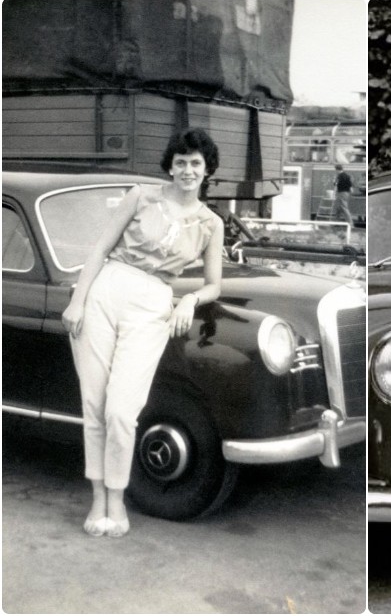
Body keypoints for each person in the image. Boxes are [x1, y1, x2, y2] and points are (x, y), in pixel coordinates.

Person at [62, 129, 225, 537]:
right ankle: (98, 498)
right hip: (105, 292)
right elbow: (100, 249)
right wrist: (78, 302)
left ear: (207, 170)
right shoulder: (140, 196)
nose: (187, 170)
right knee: (94, 405)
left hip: (154, 303)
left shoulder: (211, 223)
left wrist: (189, 301)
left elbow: (213, 285)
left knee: (121, 410)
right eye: (181, 162)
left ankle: (118, 498)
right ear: (170, 166)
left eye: (196, 163)